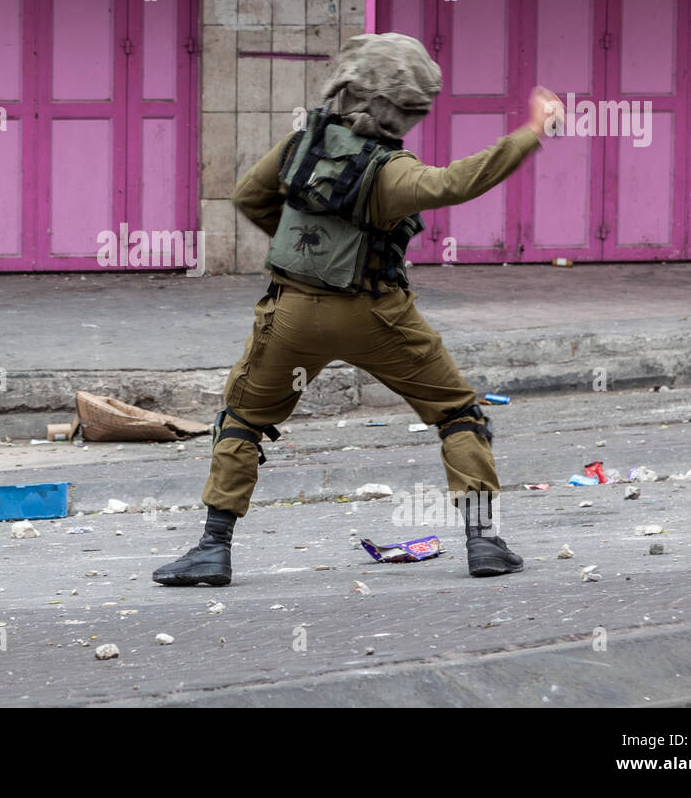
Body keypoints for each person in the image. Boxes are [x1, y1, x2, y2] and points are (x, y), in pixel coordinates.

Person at [153, 32, 562, 586]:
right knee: (457, 413)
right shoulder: (390, 173)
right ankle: (484, 543)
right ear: (405, 108)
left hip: (292, 314)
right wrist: (532, 131)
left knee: (243, 420)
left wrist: (306, 250)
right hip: (378, 316)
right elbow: (456, 183)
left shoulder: (301, 147)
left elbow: (249, 196)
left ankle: (212, 549)